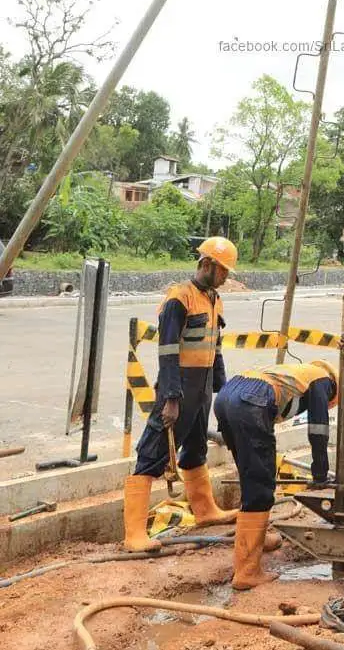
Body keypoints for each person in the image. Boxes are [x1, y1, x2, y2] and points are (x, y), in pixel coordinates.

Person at [122, 236, 240, 552]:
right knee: (153, 451)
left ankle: (205, 511)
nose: (226, 279)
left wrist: (221, 387)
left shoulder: (214, 300)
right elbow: (168, 352)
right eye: (223, 272)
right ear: (207, 264)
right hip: (179, 385)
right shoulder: (179, 299)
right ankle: (134, 534)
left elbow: (215, 346)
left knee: (196, 448)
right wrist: (172, 398)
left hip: (201, 387)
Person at [215, 360, 339, 589]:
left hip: (227, 395)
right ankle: (247, 573)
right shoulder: (322, 380)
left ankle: (256, 542)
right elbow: (318, 430)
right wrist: (320, 476)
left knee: (249, 474)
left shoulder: (296, 374)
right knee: (261, 485)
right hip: (250, 401)